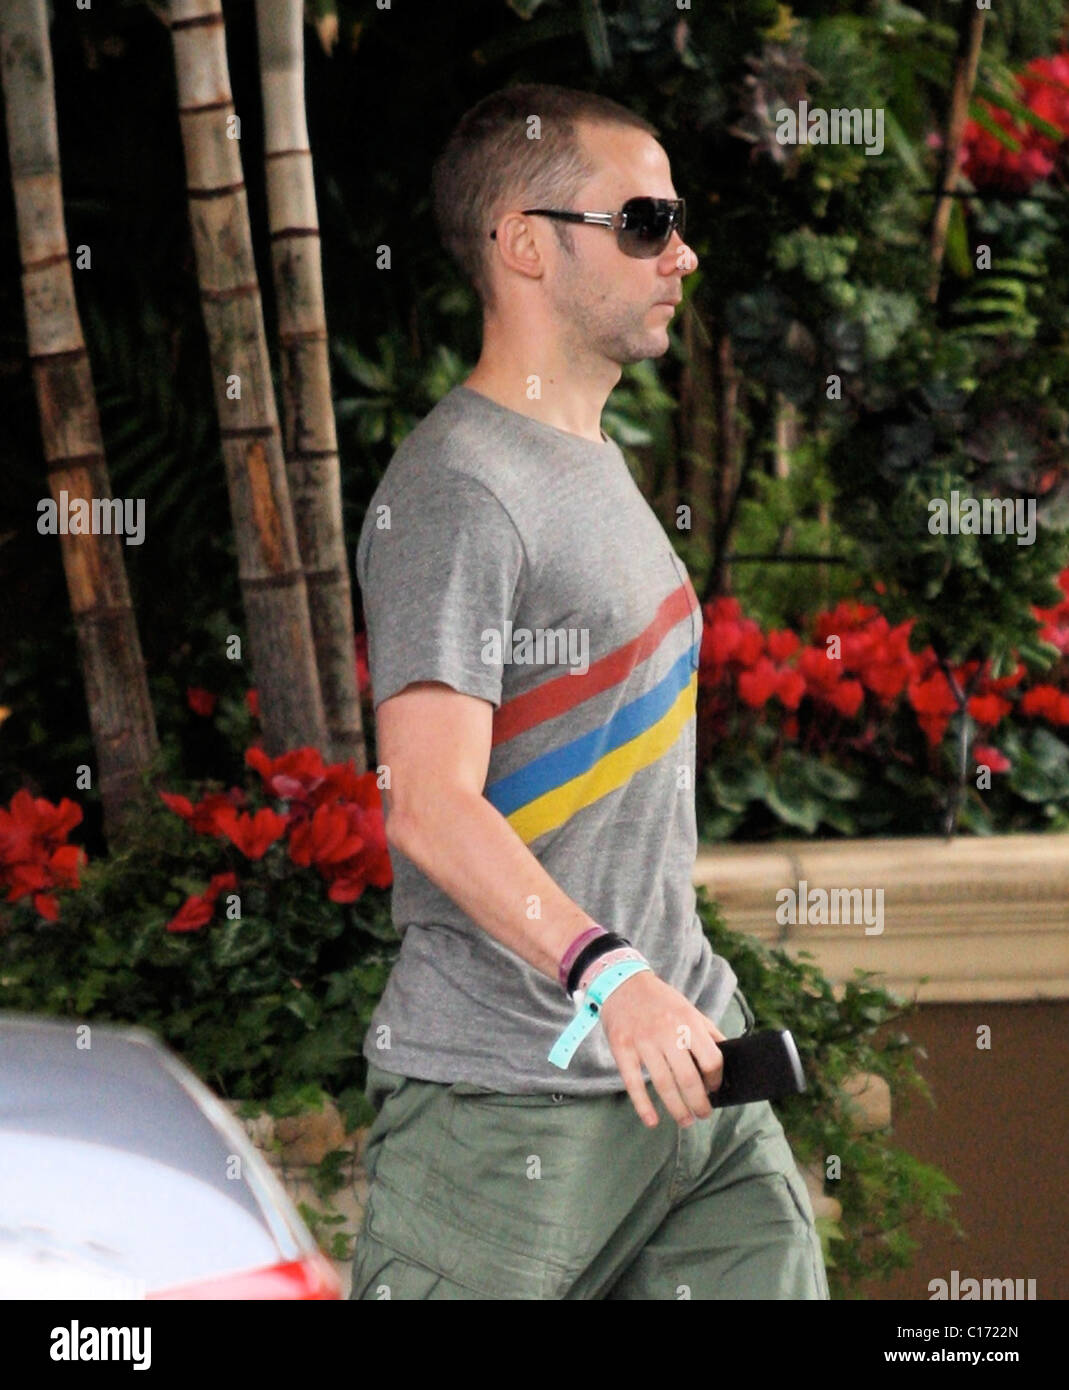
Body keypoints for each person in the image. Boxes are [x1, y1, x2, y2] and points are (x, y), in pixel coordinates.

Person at [349, 82, 828, 1301]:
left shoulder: (590, 461)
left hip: (691, 1078)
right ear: (525, 244)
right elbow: (428, 802)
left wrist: (661, 991)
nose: (682, 251)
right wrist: (607, 972)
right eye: (642, 221)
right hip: (510, 1110)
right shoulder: (459, 487)